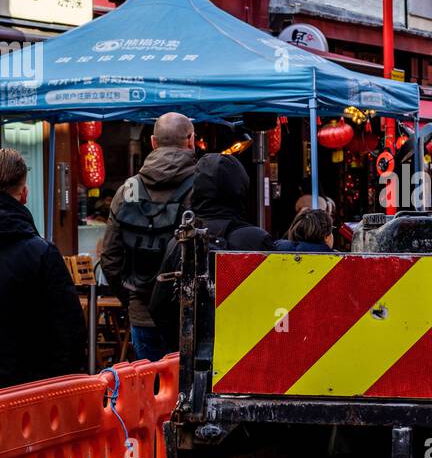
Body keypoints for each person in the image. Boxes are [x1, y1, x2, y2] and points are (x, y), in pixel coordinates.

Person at [150, 152, 274, 352]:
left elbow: (158, 305)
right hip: (246, 355)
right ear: (240, 187)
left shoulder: (180, 241)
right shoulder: (255, 240)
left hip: (191, 359)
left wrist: (184, 342)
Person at [100, 112, 197, 362]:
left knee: (150, 392)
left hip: (142, 313)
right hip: (188, 312)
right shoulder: (202, 186)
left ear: (153, 142)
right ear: (191, 140)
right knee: (189, 392)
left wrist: (132, 298)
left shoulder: (127, 190)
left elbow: (110, 257)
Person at [0, 148, 86, 389]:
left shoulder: (41, 252)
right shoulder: (42, 253)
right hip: (30, 389)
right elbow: (69, 332)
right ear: (24, 194)